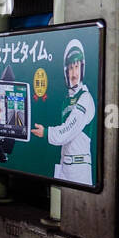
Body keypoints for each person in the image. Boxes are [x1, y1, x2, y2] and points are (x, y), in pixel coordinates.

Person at [32, 38, 95, 186]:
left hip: (79, 168)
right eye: (71, 68)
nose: (74, 74)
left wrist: (46, 132)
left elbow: (68, 130)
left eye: (77, 67)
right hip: (65, 165)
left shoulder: (85, 98)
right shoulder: (67, 100)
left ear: (82, 68)